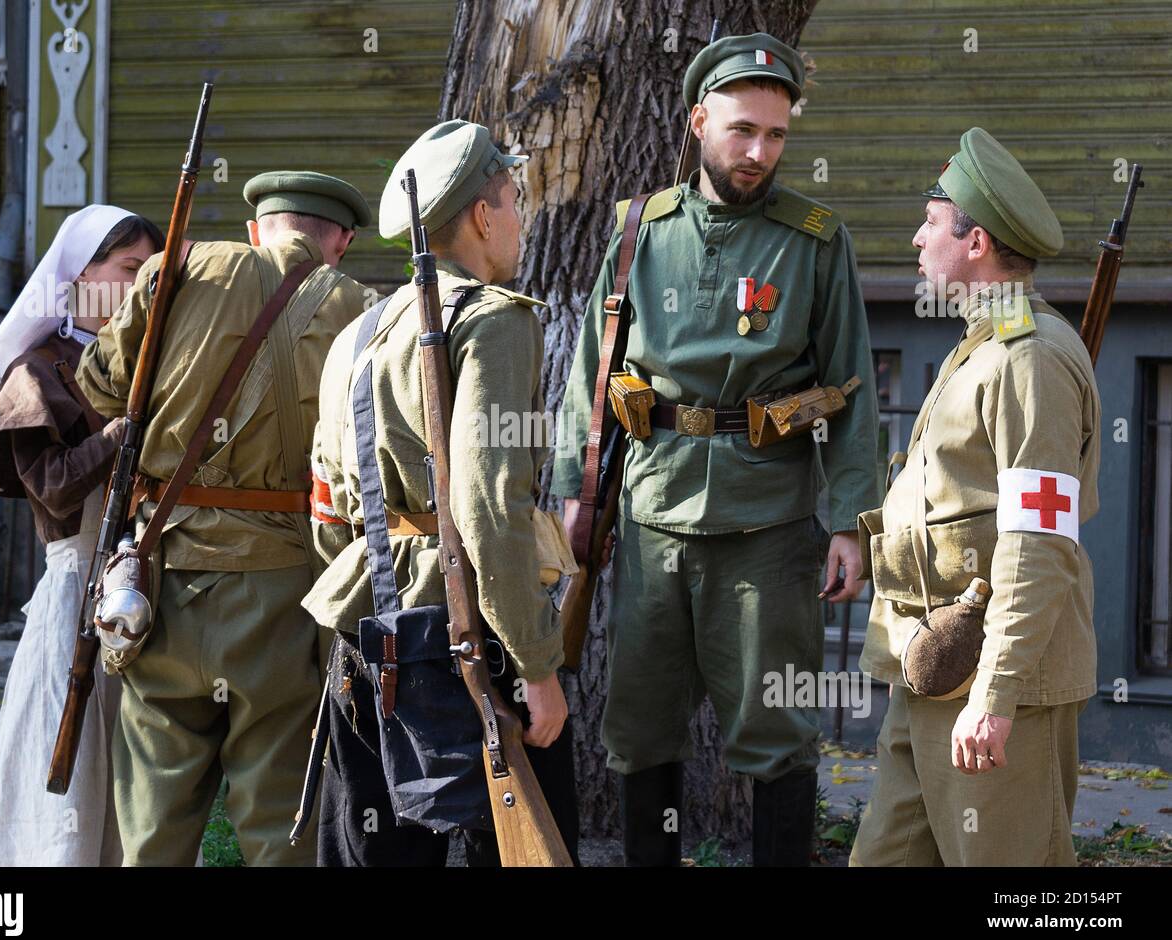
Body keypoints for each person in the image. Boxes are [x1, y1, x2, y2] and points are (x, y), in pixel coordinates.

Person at [552, 33, 881, 866]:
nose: (758, 152)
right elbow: (593, 374)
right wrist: (576, 490)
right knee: (639, 728)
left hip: (767, 524)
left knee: (777, 732)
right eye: (742, 130)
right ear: (700, 120)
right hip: (652, 512)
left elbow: (850, 387)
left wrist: (850, 521)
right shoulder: (640, 230)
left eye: (775, 135)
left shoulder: (813, 238)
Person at [303, 120, 580, 865]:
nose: (520, 219)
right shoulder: (492, 321)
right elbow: (490, 509)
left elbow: (327, 505)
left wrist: (375, 577)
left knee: (375, 851)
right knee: (530, 847)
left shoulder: (358, 333)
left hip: (366, 627)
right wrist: (535, 665)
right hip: (469, 635)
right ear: (484, 215)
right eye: (514, 200)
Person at [75, 172, 371, 865]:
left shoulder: (173, 267)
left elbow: (99, 385)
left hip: (158, 581)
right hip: (285, 590)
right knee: (280, 823)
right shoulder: (361, 307)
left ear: (254, 231)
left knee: (152, 819)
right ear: (343, 242)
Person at [850, 128, 1099, 867]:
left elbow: (1041, 540)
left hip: (995, 682)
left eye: (931, 223)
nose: (917, 240)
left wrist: (995, 693)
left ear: (977, 241)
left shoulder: (1031, 361)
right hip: (931, 663)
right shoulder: (984, 344)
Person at [0, 204, 162, 866]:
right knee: (69, 758)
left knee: (137, 776)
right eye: (128, 268)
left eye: (150, 274)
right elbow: (52, 485)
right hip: (77, 594)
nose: (139, 286)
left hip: (145, 596)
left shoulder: (145, 365)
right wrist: (119, 433)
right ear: (79, 274)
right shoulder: (38, 372)